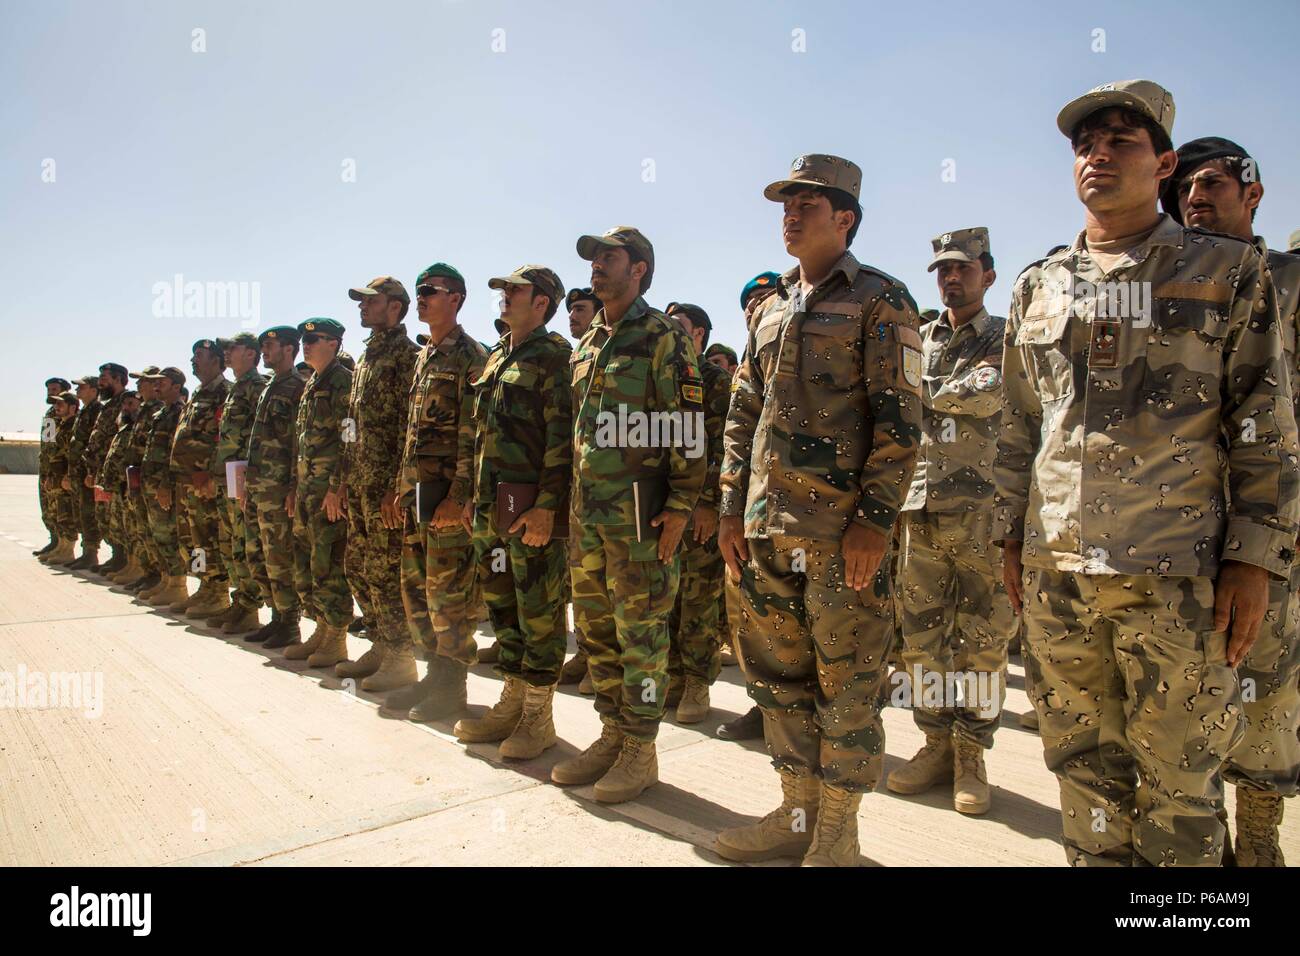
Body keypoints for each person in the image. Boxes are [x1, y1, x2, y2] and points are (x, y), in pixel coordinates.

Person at [996, 80, 1298, 867]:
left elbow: (1263, 424)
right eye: (1085, 145)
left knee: (1180, 787)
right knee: (1083, 778)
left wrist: (1254, 560)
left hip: (1178, 576)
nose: (1098, 155)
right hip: (1058, 575)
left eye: (1121, 142)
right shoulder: (1039, 284)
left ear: (1163, 162)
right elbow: (1017, 426)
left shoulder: (1227, 271)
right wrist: (1007, 538)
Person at [714, 154, 923, 865]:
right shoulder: (769, 306)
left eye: (808, 203)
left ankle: (838, 832)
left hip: (841, 535)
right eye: (785, 204)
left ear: (846, 218)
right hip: (764, 529)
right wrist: (727, 508)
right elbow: (744, 412)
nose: (791, 215)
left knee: (850, 685)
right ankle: (797, 814)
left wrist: (874, 520)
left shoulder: (881, 299)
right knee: (778, 681)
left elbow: (901, 422)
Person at [1160, 136, 1300, 866]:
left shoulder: (1289, 281)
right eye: (1186, 185)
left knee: (1265, 689)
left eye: (1212, 183)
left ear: (1253, 193)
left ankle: (1259, 841)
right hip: (1179, 526)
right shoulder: (1171, 279)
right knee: (1186, 692)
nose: (1195, 196)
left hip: (1269, 525)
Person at [550, 225, 706, 804]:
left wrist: (682, 506)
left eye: (608, 257)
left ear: (638, 269)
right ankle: (612, 732)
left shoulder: (663, 336)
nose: (596, 266)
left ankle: (641, 748)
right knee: (595, 633)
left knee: (640, 634)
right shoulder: (589, 341)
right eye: (593, 258)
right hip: (589, 516)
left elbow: (689, 427)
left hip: (641, 516)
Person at [886, 227, 1016, 816]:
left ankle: (972, 753)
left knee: (984, 642)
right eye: (942, 269)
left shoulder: (1006, 335)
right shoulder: (921, 337)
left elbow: (986, 393)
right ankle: (935, 742)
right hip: (919, 509)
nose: (950, 278)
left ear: (988, 274)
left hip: (984, 511)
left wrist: (916, 391)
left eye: (962, 268)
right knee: (922, 638)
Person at [452, 265, 573, 759]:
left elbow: (563, 437)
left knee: (539, 611)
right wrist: (470, 499)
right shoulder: (497, 355)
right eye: (503, 290)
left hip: (530, 512)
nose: (503, 296)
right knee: (503, 605)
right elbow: (479, 435)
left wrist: (548, 506)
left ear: (542, 303)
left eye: (515, 290)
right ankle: (512, 699)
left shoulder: (554, 356)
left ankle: (538, 716)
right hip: (492, 509)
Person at [392, 263, 488, 720]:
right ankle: (434, 675)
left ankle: (453, 687)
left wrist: (461, 494)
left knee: (449, 595)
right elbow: (411, 433)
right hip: (416, 497)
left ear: (457, 299)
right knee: (418, 592)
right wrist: (400, 487)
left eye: (431, 290)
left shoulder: (471, 356)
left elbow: (475, 433)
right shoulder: (424, 356)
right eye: (419, 291)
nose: (422, 297)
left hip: (448, 500)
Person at [318, 280, 420, 690]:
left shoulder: (406, 357)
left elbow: (409, 429)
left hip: (385, 493)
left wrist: (399, 486)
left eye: (370, 301)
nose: (362, 307)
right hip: (358, 488)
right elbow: (350, 426)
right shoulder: (365, 358)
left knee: (386, 573)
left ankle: (401, 657)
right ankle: (380, 644)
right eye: (360, 301)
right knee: (357, 567)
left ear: (394, 307)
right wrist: (339, 481)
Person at [663, 301, 730, 723]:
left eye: (680, 327)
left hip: (698, 508)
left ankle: (697, 682)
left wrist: (708, 502)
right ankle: (671, 675)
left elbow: (722, 445)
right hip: (665, 506)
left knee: (699, 599)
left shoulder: (715, 380)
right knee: (667, 596)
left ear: (700, 334)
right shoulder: (666, 375)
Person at [280, 318, 353, 658]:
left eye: (315, 339)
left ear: (334, 343)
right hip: (308, 491)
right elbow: (302, 443)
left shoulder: (343, 382)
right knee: (307, 564)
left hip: (328, 494)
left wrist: (338, 487)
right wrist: (294, 487)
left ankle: (336, 637)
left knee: (328, 564)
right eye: (304, 340)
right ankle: (321, 629)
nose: (306, 345)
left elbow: (350, 438)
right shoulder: (311, 384)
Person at [242, 327, 307, 644]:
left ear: (289, 349)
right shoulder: (270, 387)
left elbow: (299, 443)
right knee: (259, 555)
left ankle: (289, 623)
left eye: (269, 345)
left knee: (280, 556)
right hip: (259, 488)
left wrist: (294, 486)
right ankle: (275, 615)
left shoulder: (297, 388)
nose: (264, 351)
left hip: (279, 489)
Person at [210, 334, 269, 634]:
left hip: (243, 478)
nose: (227, 353)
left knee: (247, 543)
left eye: (232, 348)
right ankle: (241, 602)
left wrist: (248, 480)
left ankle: (250, 605)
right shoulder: (237, 390)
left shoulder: (256, 388)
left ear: (250, 353)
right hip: (229, 477)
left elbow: (259, 437)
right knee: (233, 542)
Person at [138, 367, 190, 606]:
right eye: (155, 382)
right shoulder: (162, 413)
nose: (156, 386)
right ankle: (167, 580)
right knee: (157, 535)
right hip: (151, 484)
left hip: (164, 486)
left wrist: (165, 484)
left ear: (176, 387)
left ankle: (178, 585)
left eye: (162, 382)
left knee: (170, 535)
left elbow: (175, 453)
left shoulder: (179, 412)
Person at [40, 390, 80, 564]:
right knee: (59, 513)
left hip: (64, 477)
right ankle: (62, 547)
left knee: (66, 513)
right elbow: (51, 451)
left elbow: (71, 455)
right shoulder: (60, 424)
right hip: (56, 476)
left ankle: (68, 550)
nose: (57, 407)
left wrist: (67, 475)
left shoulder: (73, 426)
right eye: (55, 403)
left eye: (60, 404)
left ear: (72, 407)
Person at [36, 377, 71, 557]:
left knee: (60, 507)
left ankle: (63, 545)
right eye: (49, 389)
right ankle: (55, 541)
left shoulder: (65, 413)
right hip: (47, 467)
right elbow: (47, 444)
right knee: (48, 506)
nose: (50, 392)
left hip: (58, 468)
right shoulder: (50, 414)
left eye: (54, 389)